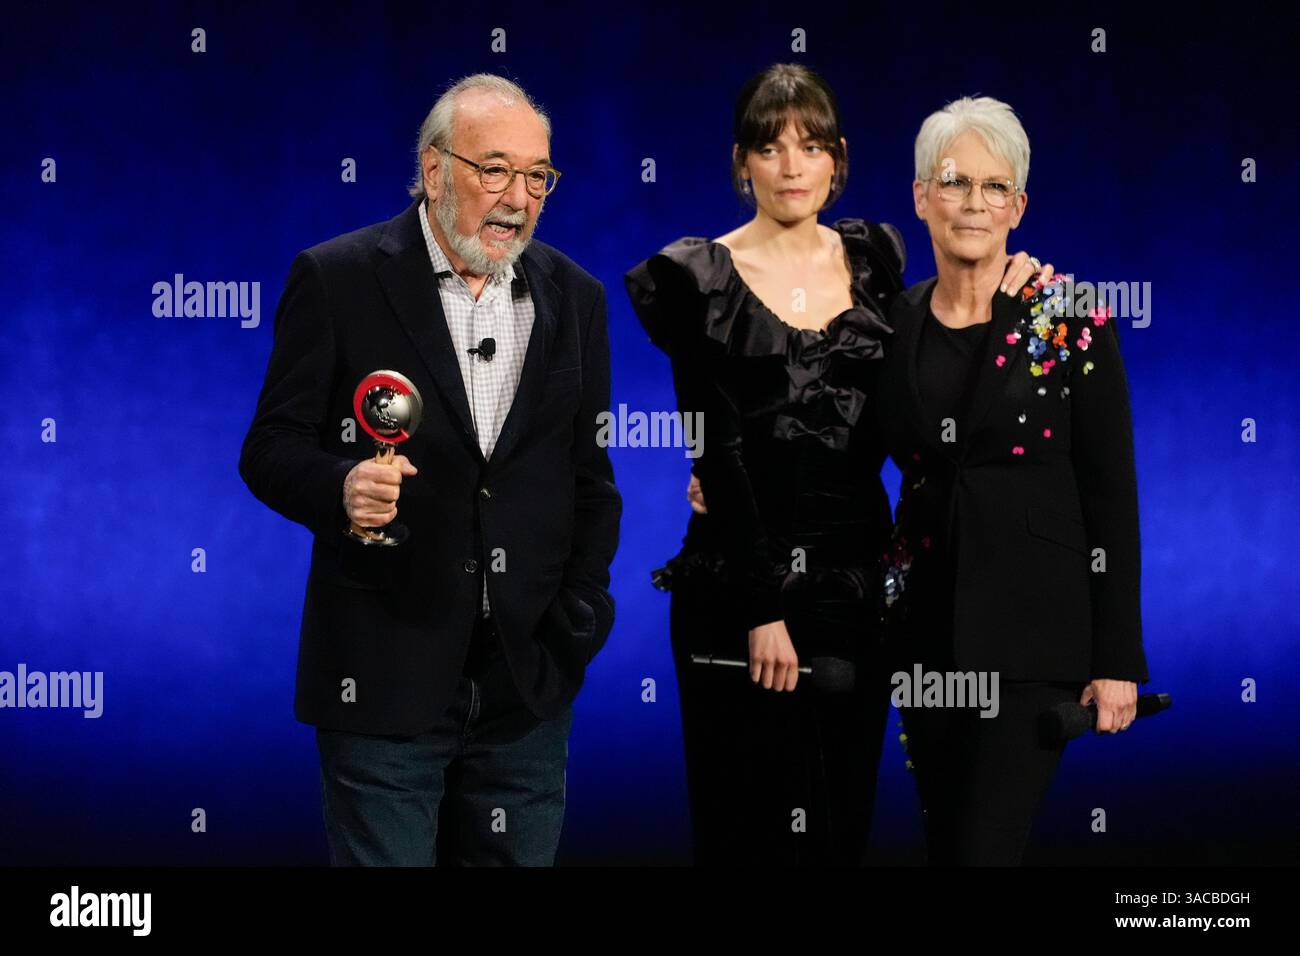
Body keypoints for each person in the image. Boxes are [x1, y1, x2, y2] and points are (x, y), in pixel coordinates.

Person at [625, 65, 1043, 865]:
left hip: (856, 588)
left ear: (836, 160)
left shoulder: (874, 260)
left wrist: (1022, 283)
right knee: (745, 827)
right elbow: (715, 446)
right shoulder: (695, 278)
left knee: (839, 823)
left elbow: (930, 368)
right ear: (742, 161)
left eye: (810, 147)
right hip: (741, 585)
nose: (790, 166)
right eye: (770, 146)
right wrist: (761, 608)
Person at [238, 73, 621, 866]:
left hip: (525, 685)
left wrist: (577, 624)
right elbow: (270, 447)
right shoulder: (339, 278)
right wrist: (341, 488)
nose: (519, 194)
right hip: (382, 677)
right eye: (495, 169)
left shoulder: (574, 297)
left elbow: (591, 478)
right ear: (437, 168)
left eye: (537, 175)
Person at [876, 95, 1149, 865]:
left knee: (981, 850)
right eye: (956, 183)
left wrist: (1117, 659)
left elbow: (1111, 493)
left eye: (996, 187)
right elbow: (847, 451)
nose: (974, 203)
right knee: (946, 840)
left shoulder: (1067, 317)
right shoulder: (893, 324)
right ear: (922, 196)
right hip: (923, 638)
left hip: (1034, 643)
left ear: (1019, 205)